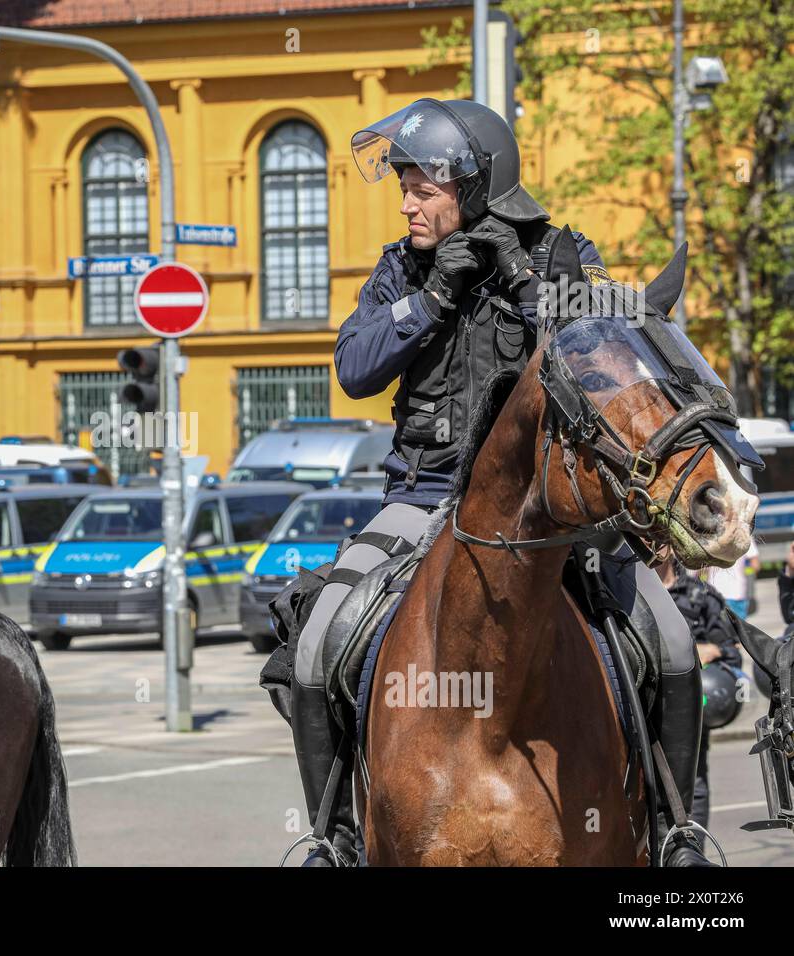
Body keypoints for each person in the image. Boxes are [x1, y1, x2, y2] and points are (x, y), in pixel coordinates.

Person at [289, 97, 713, 867]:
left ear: (475, 186)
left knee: (674, 642)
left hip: (553, 511)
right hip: (422, 499)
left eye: (424, 187)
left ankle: (681, 831)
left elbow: (602, 357)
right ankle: (334, 838)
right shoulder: (399, 270)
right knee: (321, 639)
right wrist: (431, 299)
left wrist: (526, 290)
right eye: (405, 187)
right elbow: (354, 369)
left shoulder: (562, 254)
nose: (409, 202)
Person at [656, 559, 741, 828]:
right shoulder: (624, 592)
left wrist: (710, 651)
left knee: (693, 784)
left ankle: (690, 849)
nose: (651, 545)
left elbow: (731, 652)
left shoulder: (701, 595)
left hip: (687, 712)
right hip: (637, 709)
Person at [706, 539, 758, 620]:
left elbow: (700, 570)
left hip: (713, 594)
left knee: (716, 630)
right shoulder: (744, 534)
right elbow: (755, 565)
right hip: (736, 593)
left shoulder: (709, 535)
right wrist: (745, 572)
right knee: (739, 629)